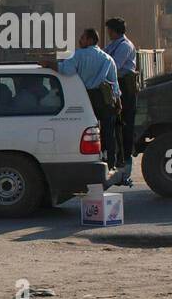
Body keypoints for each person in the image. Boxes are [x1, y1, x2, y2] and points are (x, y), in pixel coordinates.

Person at [44, 29, 120, 166]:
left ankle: (90, 158)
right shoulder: (107, 58)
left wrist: (48, 64)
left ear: (90, 40)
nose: (80, 40)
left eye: (83, 38)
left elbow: (66, 70)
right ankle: (111, 162)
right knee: (108, 131)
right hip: (105, 99)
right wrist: (118, 103)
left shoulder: (79, 55)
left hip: (85, 97)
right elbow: (114, 85)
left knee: (87, 130)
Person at [105, 17, 139, 185]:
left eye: (109, 30)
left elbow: (114, 67)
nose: (108, 33)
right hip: (116, 87)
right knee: (115, 128)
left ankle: (126, 171)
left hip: (126, 88)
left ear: (115, 31)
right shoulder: (113, 45)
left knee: (125, 128)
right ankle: (117, 165)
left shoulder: (124, 46)